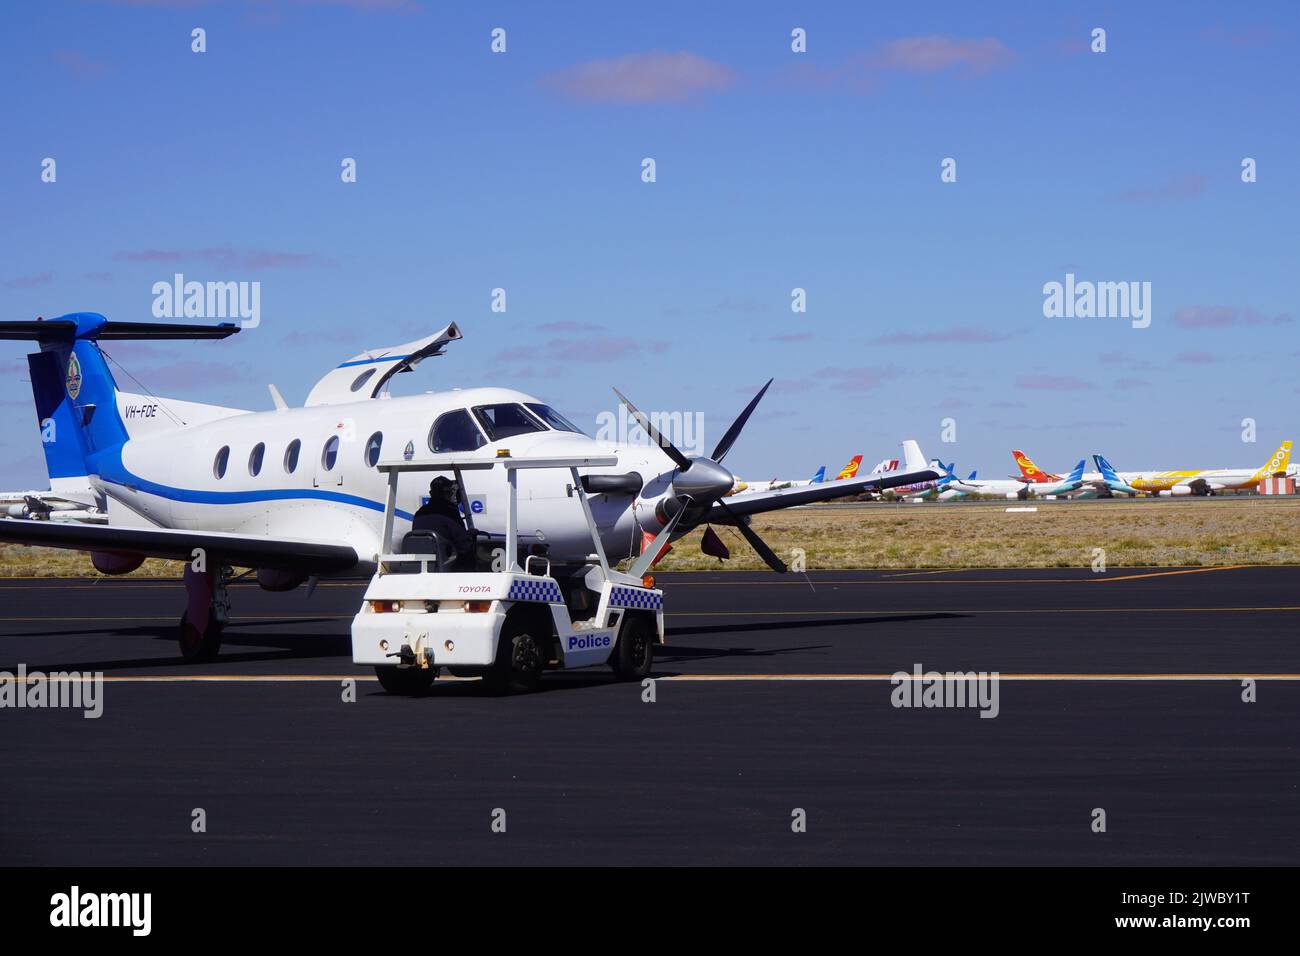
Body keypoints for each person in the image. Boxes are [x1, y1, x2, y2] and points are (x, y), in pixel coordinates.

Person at [409, 476, 475, 569]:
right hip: (447, 565)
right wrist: (470, 534)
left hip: (423, 565)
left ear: (431, 493)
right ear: (448, 494)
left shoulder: (419, 513)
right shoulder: (450, 513)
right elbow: (463, 545)